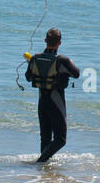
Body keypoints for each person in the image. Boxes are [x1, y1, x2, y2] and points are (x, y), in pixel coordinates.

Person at [24, 27, 80, 163]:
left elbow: (28, 77)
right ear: (59, 42)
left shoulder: (35, 58)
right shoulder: (62, 60)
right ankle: (41, 161)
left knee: (45, 138)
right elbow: (76, 74)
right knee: (60, 139)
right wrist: (70, 63)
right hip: (56, 102)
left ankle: (43, 172)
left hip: (42, 102)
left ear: (45, 41)